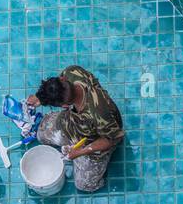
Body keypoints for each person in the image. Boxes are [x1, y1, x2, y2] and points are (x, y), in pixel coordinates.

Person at [27, 65, 124, 193]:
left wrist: (81, 152)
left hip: (97, 138)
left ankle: (101, 161)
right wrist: (39, 98)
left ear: (64, 105)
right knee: (41, 134)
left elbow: (113, 138)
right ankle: (72, 143)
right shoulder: (72, 72)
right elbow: (55, 89)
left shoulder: (99, 113)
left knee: (84, 185)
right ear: (62, 78)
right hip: (72, 123)